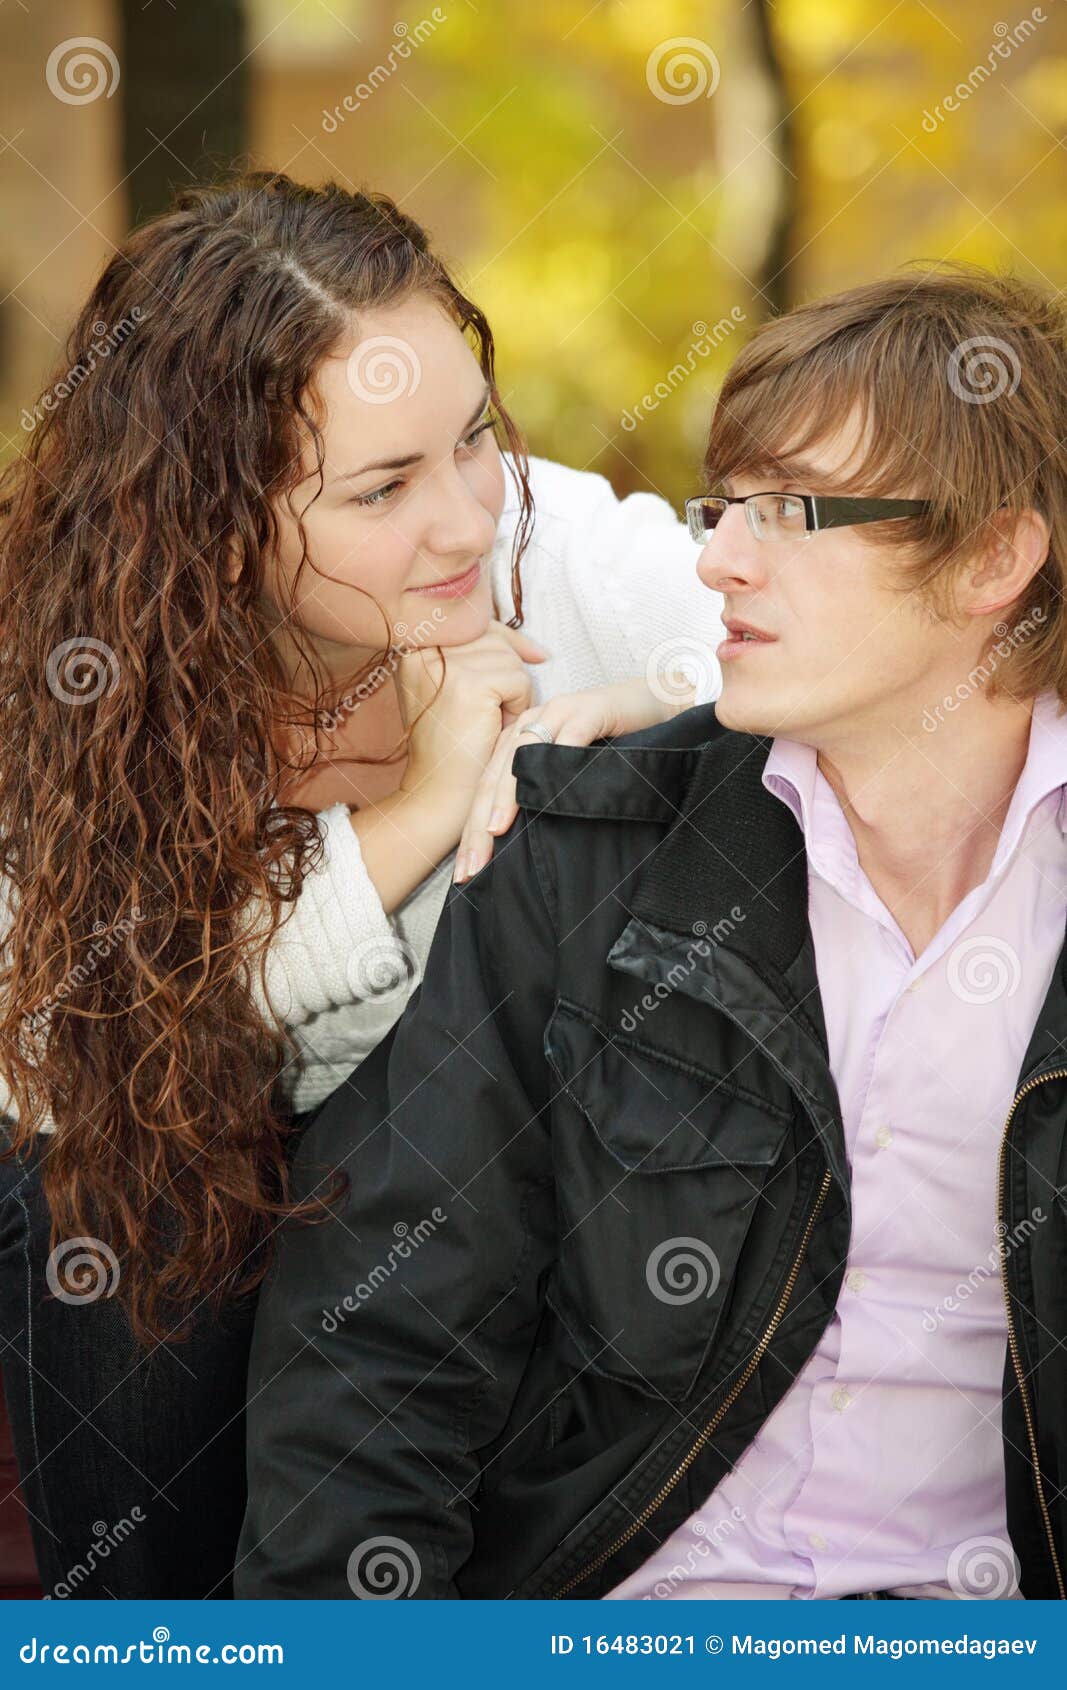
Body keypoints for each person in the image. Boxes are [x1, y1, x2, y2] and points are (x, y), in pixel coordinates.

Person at [237, 263, 1067, 1602]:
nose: (719, 559)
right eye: (723, 506)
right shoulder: (584, 852)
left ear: (994, 557)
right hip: (636, 1618)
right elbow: (379, 1350)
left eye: (789, 513)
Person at [0, 171, 726, 1597]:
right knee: (103, 1173)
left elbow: (829, 637)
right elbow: (45, 1053)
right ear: (211, 523)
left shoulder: (552, 550)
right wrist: (415, 813)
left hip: (507, 1220)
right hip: (202, 1248)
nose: (465, 522)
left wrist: (659, 702)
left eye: (474, 440)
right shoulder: (61, 675)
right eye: (384, 489)